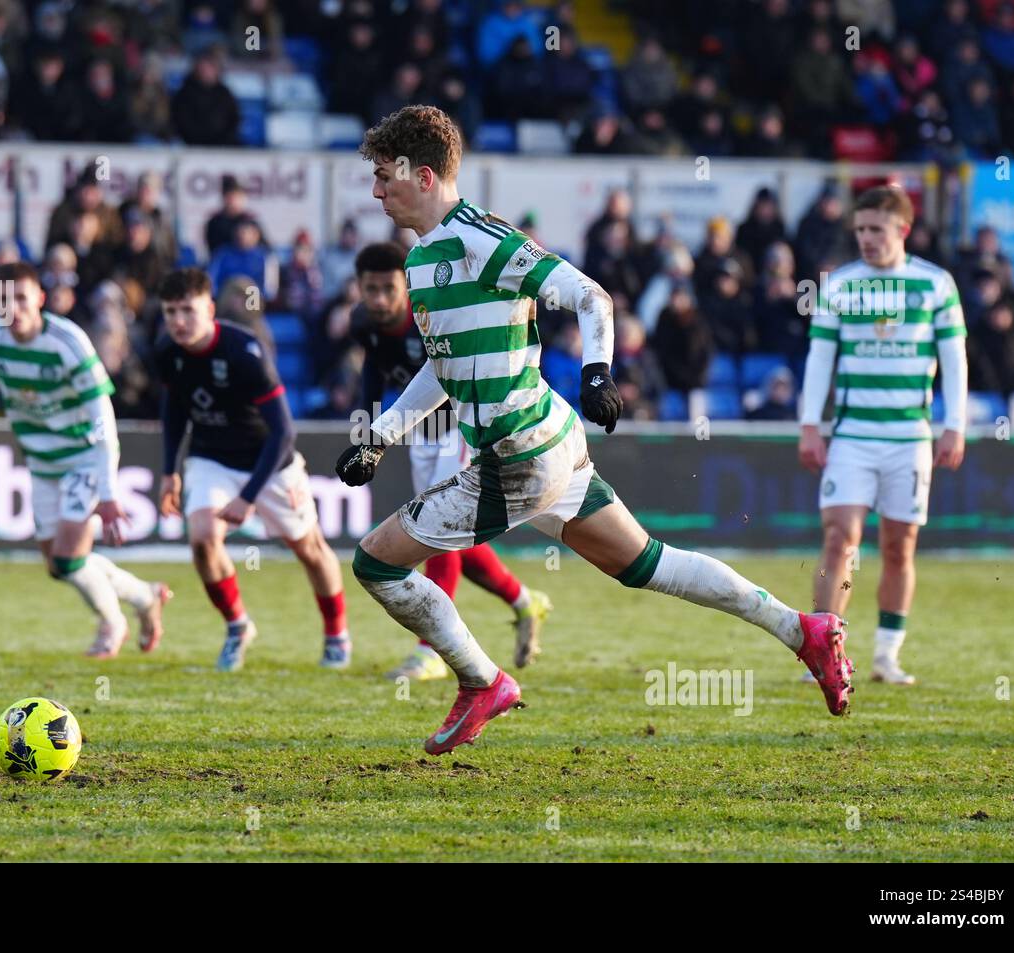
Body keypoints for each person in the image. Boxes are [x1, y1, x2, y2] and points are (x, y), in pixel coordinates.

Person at [339, 106, 852, 756]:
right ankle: (803, 629)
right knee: (649, 563)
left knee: (374, 561)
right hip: (547, 445)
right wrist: (381, 435)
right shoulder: (421, 262)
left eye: (385, 176)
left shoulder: (483, 238)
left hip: (517, 453)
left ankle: (481, 680)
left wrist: (597, 372)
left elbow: (590, 296)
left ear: (428, 174)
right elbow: (444, 369)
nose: (377, 191)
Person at [350, 241, 554, 680]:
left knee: (436, 528)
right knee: (456, 538)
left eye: (389, 288)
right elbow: (374, 368)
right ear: (359, 289)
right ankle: (524, 601)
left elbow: (444, 377)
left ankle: (430, 651)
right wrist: (369, 433)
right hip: (417, 435)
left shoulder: (430, 319)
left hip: (459, 428)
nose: (381, 299)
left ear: (404, 285)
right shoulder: (363, 323)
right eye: (371, 289)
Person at [0, 261, 171, 658]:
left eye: (21, 298)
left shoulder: (68, 343)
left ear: (40, 298)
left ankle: (113, 624)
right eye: (3, 301)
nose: (13, 309)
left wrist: (107, 489)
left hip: (85, 457)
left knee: (69, 560)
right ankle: (145, 596)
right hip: (42, 463)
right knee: (58, 566)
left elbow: (103, 416)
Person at [798, 185, 968, 686]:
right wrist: (810, 423)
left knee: (900, 548)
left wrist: (954, 424)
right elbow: (819, 359)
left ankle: (886, 657)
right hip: (852, 436)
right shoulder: (841, 286)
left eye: (876, 229)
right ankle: (825, 653)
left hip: (910, 439)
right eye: (860, 230)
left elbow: (955, 360)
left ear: (903, 230)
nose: (867, 239)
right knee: (839, 539)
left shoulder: (935, 285)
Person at [154, 268, 352, 672]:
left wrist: (248, 497)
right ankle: (237, 626)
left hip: (270, 462)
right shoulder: (166, 351)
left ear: (209, 309)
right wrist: (169, 470)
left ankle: (336, 635)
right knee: (203, 538)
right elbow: (174, 408)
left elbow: (283, 431)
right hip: (211, 458)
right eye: (170, 311)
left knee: (309, 550)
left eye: (187, 311)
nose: (177, 321)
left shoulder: (245, 350)